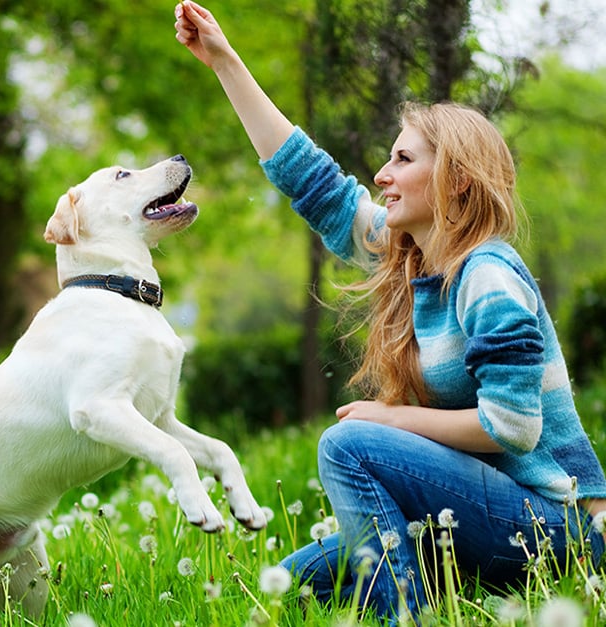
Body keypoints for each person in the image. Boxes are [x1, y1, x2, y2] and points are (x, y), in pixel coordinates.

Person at [173, 1, 606, 622]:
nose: (381, 174)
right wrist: (225, 61)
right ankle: (412, 587)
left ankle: (406, 615)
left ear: (456, 179)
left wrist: (393, 420)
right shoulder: (415, 260)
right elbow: (313, 182)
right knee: (294, 583)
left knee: (347, 445)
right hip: (479, 509)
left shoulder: (487, 275)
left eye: (403, 160)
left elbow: (514, 428)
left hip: (552, 529)